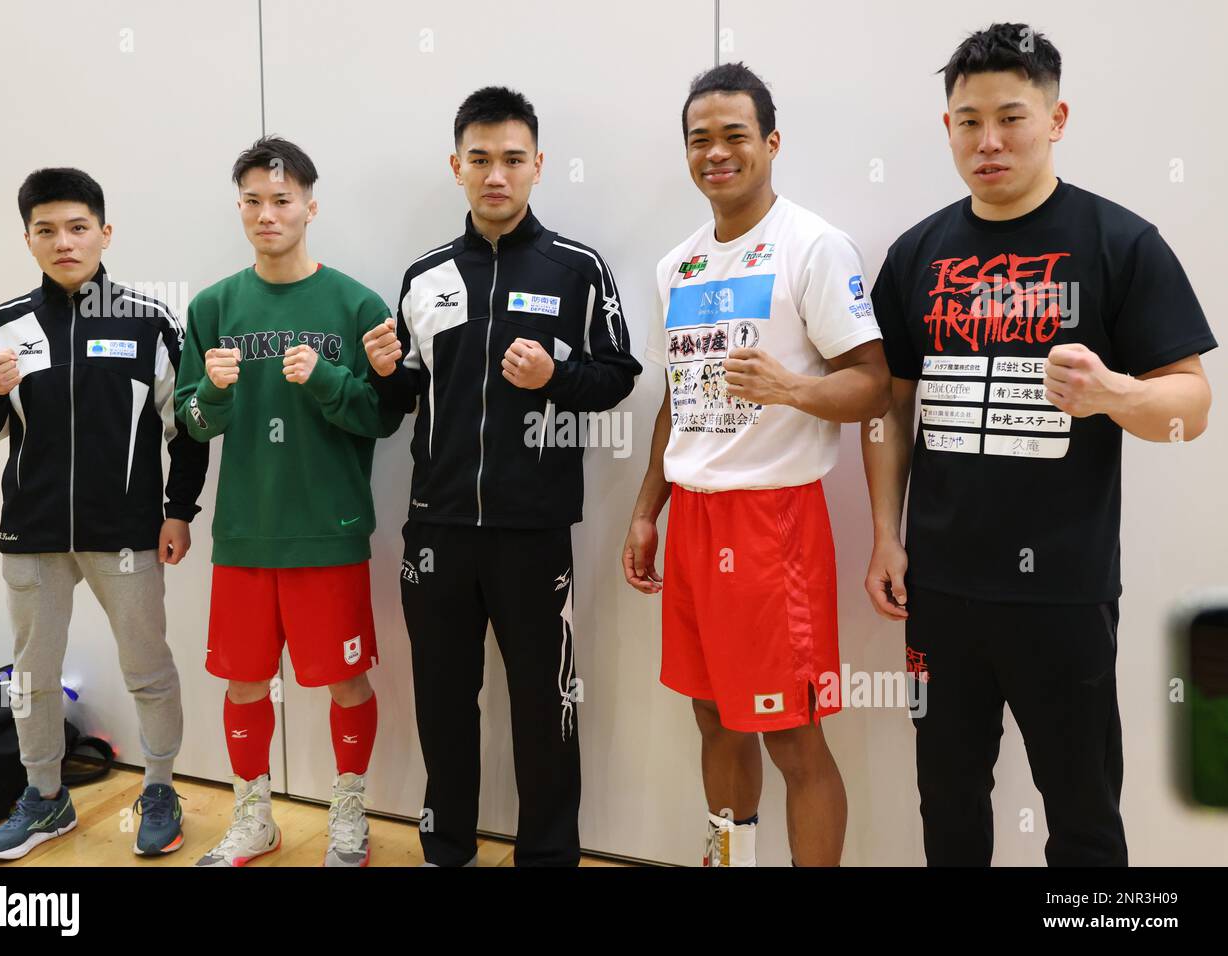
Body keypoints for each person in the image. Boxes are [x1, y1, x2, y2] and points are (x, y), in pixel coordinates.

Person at [861, 23, 1216, 866]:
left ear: (1056, 120)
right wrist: (885, 531)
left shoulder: (1120, 242)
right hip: (940, 588)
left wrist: (1115, 393)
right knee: (946, 799)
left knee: (1084, 810)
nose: (988, 142)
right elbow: (889, 408)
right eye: (968, 120)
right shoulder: (917, 253)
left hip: (1063, 587)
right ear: (946, 125)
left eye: (1011, 118)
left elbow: (1191, 405)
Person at [362, 87, 641, 867]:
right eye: (480, 159)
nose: (496, 174)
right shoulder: (425, 277)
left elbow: (618, 376)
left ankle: (548, 855)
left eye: (513, 159)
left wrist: (556, 374)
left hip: (533, 528)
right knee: (444, 705)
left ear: (538, 166)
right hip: (438, 528)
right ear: (457, 166)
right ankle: (446, 847)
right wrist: (385, 373)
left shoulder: (578, 269)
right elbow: (401, 402)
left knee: (544, 705)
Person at [623, 63, 890, 866]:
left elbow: (874, 387)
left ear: (770, 142)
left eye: (735, 135)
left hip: (774, 526)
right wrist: (646, 509)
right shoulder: (679, 265)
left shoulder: (813, 245)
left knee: (791, 736)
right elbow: (681, 397)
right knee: (712, 715)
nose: (717, 152)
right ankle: (729, 858)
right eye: (699, 139)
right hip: (697, 516)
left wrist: (794, 389)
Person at [0, 167, 208, 860]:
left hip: (124, 532)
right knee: (33, 676)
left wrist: (178, 511)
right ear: (28, 239)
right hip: (32, 532)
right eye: (47, 230)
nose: (64, 242)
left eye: (78, 228)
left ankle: (159, 788)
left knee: (148, 667)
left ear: (105, 233)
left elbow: (185, 427)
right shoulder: (6, 325)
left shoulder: (148, 319)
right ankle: (45, 800)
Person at [175, 136, 401, 867]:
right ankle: (254, 817)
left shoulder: (356, 302)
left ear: (310, 205)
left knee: (345, 677)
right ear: (238, 207)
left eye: (281, 200)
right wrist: (212, 391)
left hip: (328, 529)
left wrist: (331, 381)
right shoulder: (212, 306)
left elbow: (382, 417)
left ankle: (348, 811)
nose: (266, 215)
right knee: (244, 681)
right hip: (245, 531)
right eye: (252, 202)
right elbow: (191, 424)